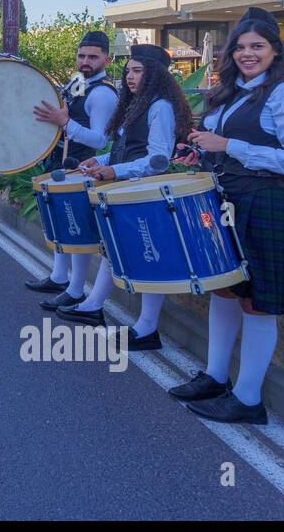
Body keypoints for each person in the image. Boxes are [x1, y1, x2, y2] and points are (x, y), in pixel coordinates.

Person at [169, 7, 284, 424]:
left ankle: (248, 398)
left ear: (276, 52)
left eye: (258, 47)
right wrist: (200, 149)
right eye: (240, 47)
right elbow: (219, 143)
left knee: (256, 303)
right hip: (226, 203)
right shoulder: (230, 92)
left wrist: (229, 146)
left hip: (264, 204)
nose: (247, 54)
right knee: (224, 290)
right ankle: (216, 377)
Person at [57, 45, 191, 342]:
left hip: (143, 191)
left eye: (138, 71)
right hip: (126, 189)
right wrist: (101, 161)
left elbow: (157, 159)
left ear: (155, 74)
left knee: (149, 258)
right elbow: (123, 150)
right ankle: (93, 305)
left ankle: (147, 329)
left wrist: (116, 171)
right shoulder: (137, 105)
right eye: (128, 70)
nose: (130, 77)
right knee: (110, 248)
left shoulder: (159, 107)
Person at [25, 31, 119, 300]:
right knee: (61, 224)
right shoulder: (78, 82)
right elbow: (65, 112)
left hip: (83, 164)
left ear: (106, 59)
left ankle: (76, 290)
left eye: (92, 57)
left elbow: (100, 139)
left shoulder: (103, 95)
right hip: (63, 161)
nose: (85, 61)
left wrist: (64, 122)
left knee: (75, 228)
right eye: (81, 56)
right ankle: (58, 277)